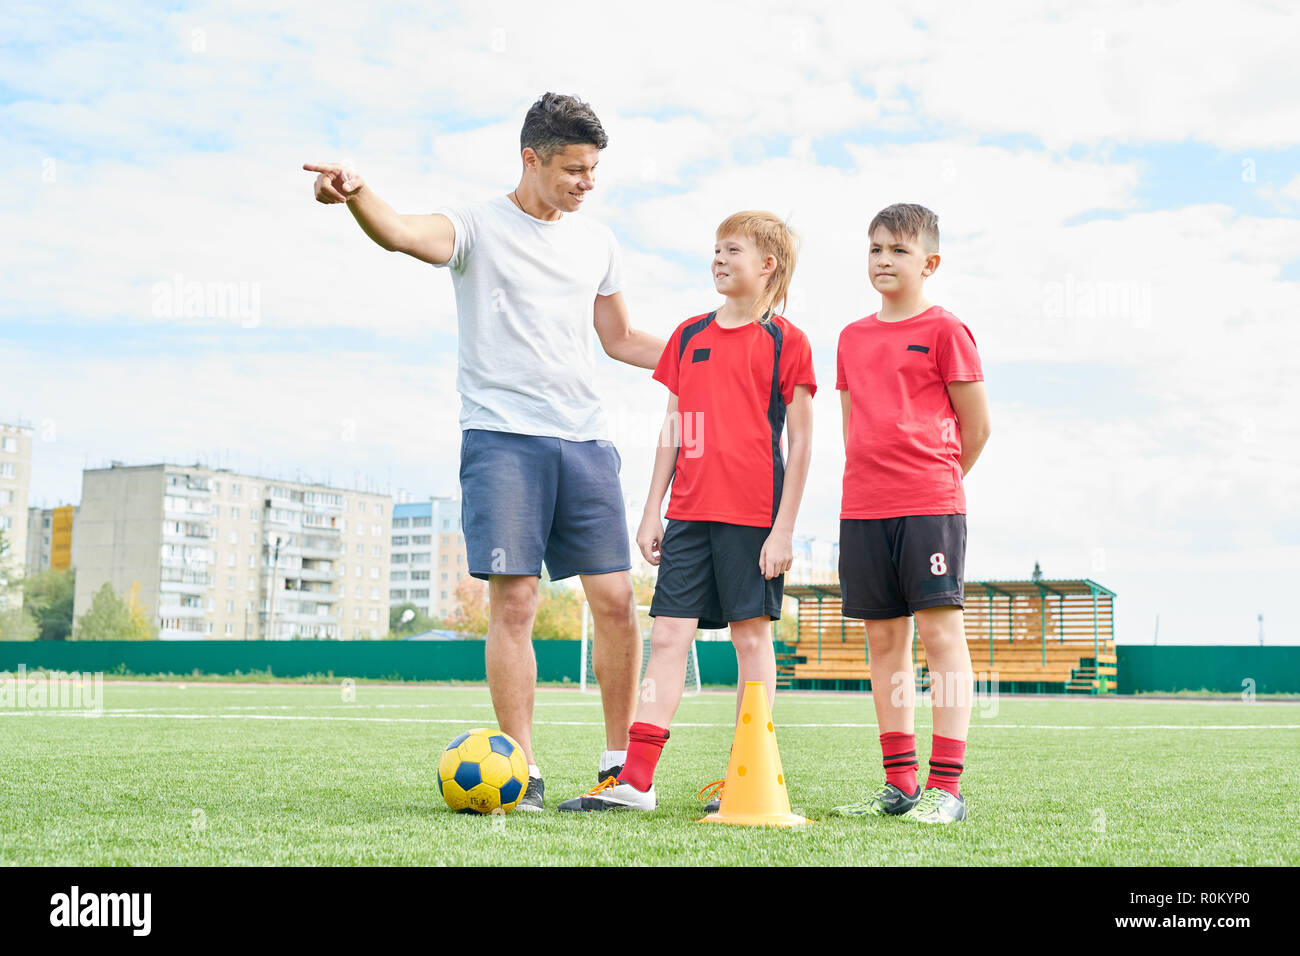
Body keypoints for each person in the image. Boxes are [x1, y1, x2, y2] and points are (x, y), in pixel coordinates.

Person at [304, 92, 665, 811]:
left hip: (586, 440)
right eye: (572, 169)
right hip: (502, 438)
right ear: (530, 159)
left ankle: (620, 767)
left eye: (593, 170)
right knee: (517, 601)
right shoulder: (474, 225)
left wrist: (712, 354)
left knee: (619, 603)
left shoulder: (598, 241)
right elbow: (404, 233)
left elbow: (620, 339)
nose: (586, 183)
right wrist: (356, 192)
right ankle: (522, 772)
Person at [558, 211, 815, 812]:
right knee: (667, 636)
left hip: (754, 519)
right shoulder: (688, 336)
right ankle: (636, 782)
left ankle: (743, 780)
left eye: (732, 250)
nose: (718, 259)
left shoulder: (788, 342)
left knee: (751, 641)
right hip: (688, 517)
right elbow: (672, 429)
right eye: (716, 250)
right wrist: (652, 512)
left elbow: (801, 444)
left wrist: (784, 530)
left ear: (767, 265)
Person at [829, 203, 991, 824]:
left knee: (941, 636)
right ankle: (899, 785)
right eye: (875, 249)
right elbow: (852, 432)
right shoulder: (850, 337)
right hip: (862, 509)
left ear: (930, 262)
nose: (883, 261)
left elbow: (976, 428)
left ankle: (945, 789)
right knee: (883, 642)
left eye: (898, 250)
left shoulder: (948, 330)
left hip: (930, 505)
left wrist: (935, 485)